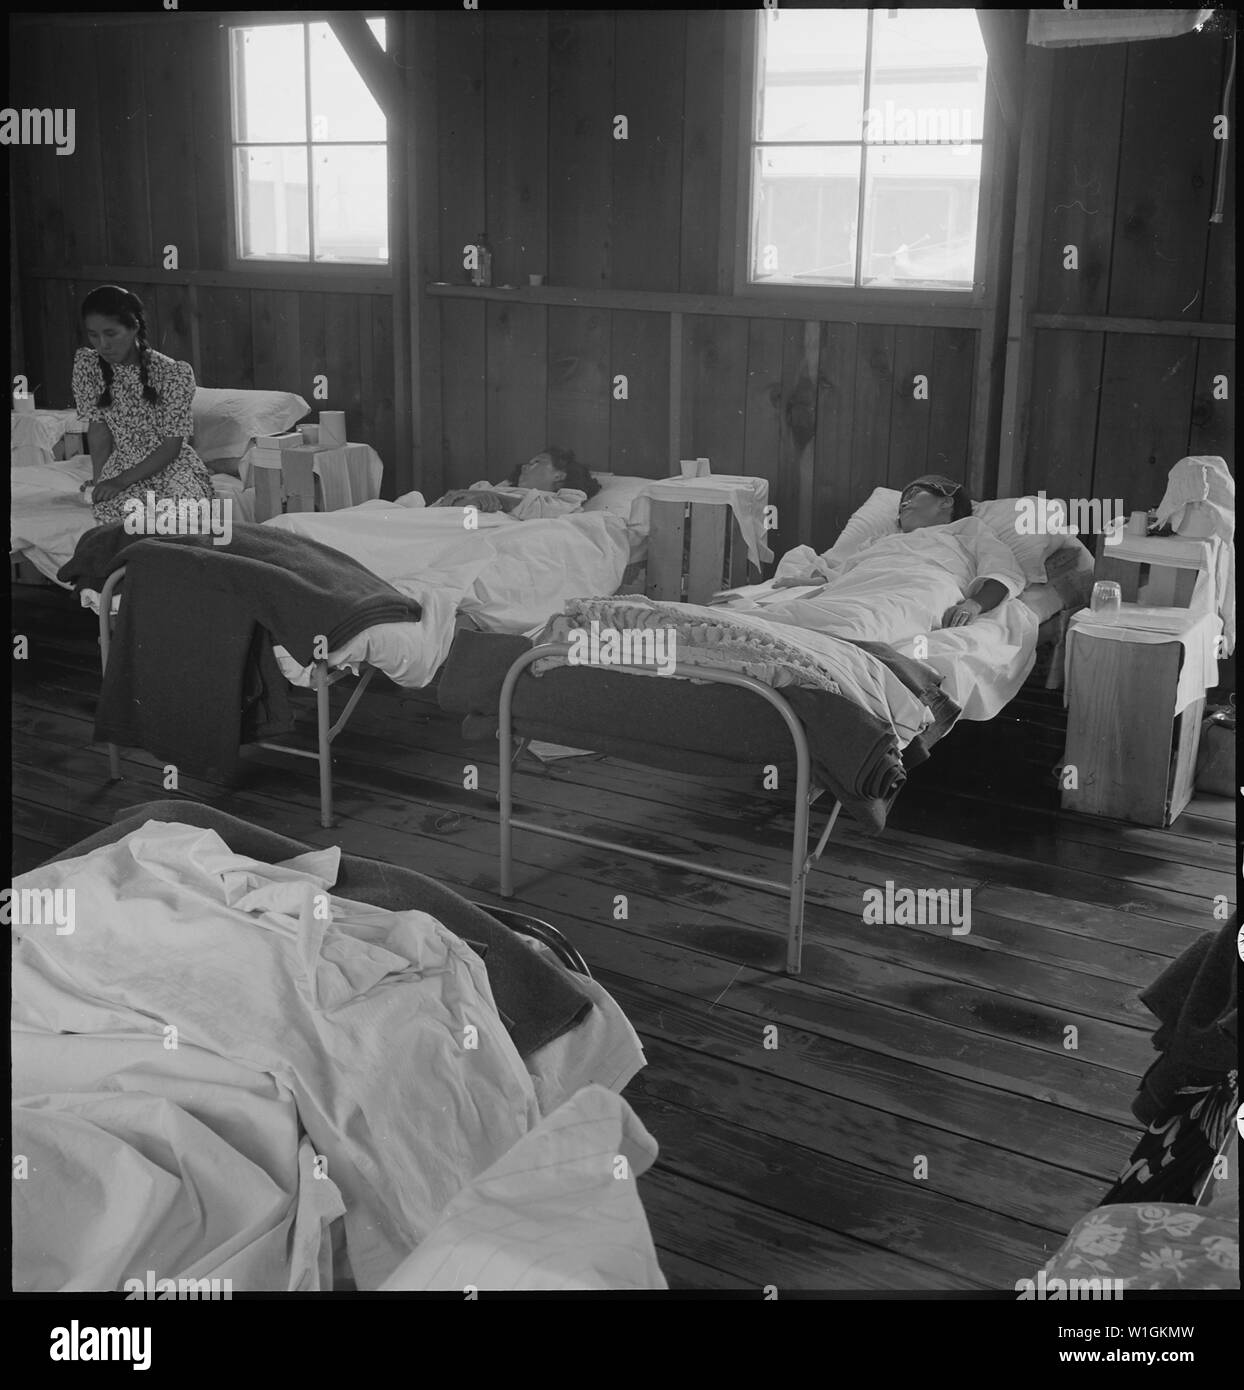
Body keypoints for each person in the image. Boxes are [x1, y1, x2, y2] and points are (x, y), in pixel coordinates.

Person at [730, 474, 1026, 646]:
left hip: (921, 585)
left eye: (915, 494)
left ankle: (808, 653)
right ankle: (750, 639)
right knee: (794, 613)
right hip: (859, 587)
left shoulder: (969, 530)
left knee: (867, 622)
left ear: (946, 501)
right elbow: (845, 574)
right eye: (902, 501)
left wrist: (975, 604)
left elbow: (1003, 572)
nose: (904, 503)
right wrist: (807, 581)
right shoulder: (882, 541)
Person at [71, 285, 213, 526]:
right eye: (94, 335)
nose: (102, 345)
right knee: (121, 518)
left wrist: (120, 481)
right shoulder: (89, 366)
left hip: (170, 467)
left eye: (111, 334)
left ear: (134, 326)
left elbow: (171, 447)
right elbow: (99, 431)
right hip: (121, 464)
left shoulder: (172, 373)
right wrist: (100, 482)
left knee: (179, 516)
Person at [431, 447, 601, 520]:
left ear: (559, 475)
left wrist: (493, 498)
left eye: (536, 462)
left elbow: (540, 512)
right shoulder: (494, 488)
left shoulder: (565, 500)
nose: (525, 466)